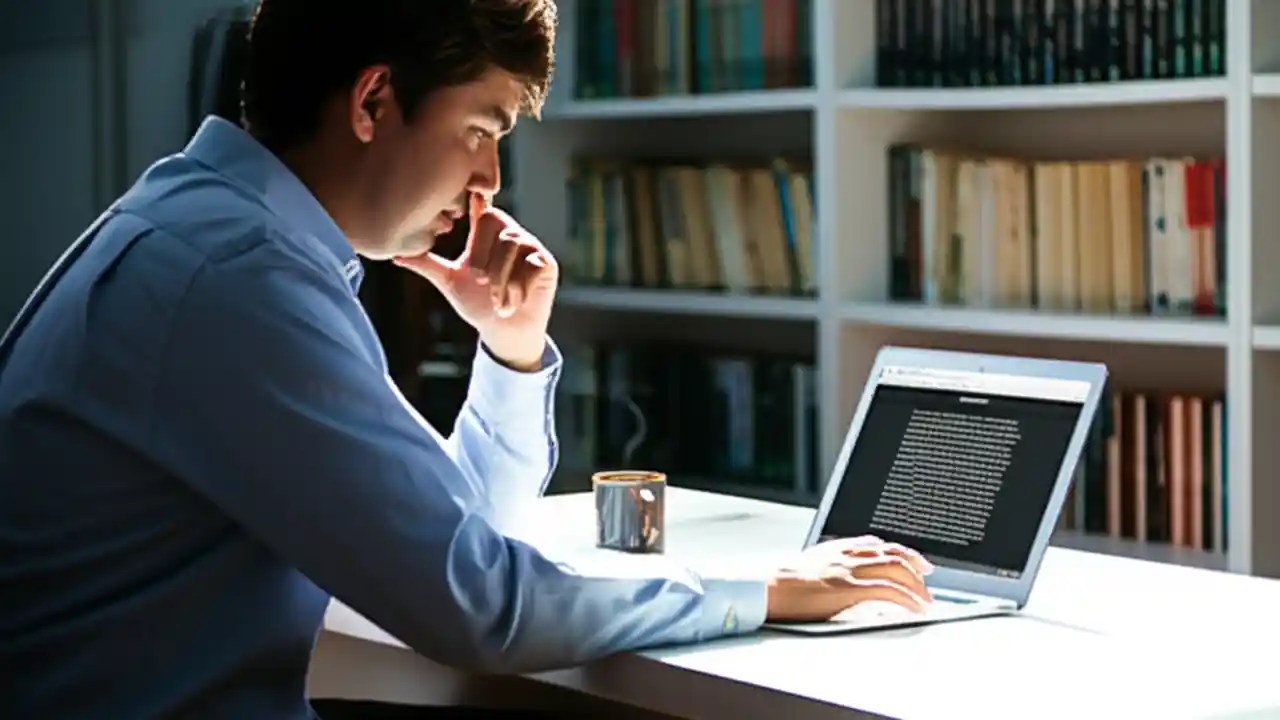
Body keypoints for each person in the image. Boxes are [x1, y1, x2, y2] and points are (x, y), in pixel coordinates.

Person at [0, 1, 934, 718]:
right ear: (373, 101)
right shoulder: (239, 279)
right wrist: (765, 592)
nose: (489, 181)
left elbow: (440, 538)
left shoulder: (212, 232)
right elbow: (478, 606)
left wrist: (513, 350)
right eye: (481, 130)